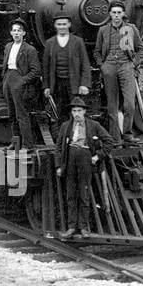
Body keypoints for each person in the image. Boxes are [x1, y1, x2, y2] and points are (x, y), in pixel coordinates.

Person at [56, 97, 114, 239]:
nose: (76, 113)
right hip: (69, 159)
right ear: (71, 112)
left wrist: (98, 156)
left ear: (84, 111)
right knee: (70, 194)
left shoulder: (93, 125)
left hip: (85, 158)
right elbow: (58, 147)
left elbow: (109, 141)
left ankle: (83, 227)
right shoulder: (65, 126)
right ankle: (71, 227)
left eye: (79, 111)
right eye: (74, 111)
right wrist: (58, 165)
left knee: (84, 193)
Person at [94, 0, 143, 143]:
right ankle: (115, 138)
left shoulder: (130, 29)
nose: (116, 15)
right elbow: (97, 51)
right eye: (114, 13)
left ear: (123, 14)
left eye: (119, 13)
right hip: (109, 67)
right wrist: (102, 66)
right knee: (112, 106)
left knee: (129, 103)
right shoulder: (103, 30)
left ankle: (127, 135)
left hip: (126, 66)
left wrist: (134, 64)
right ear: (110, 14)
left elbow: (141, 49)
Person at [0, 20, 41, 146]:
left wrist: (23, 80)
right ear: (11, 33)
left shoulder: (29, 49)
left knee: (21, 114)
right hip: (8, 79)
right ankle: (16, 141)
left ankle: (28, 144)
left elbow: (36, 70)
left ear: (24, 33)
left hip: (19, 81)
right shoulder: (8, 46)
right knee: (11, 113)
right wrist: (5, 77)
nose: (16, 33)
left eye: (19, 31)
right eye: (14, 30)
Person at [42, 13, 92, 123]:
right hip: (57, 84)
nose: (62, 27)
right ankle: (63, 138)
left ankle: (78, 138)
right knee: (59, 113)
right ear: (55, 25)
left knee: (76, 111)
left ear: (69, 24)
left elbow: (85, 63)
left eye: (64, 24)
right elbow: (45, 67)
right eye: (59, 24)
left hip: (73, 83)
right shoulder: (50, 43)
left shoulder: (78, 41)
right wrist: (46, 86)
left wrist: (84, 84)